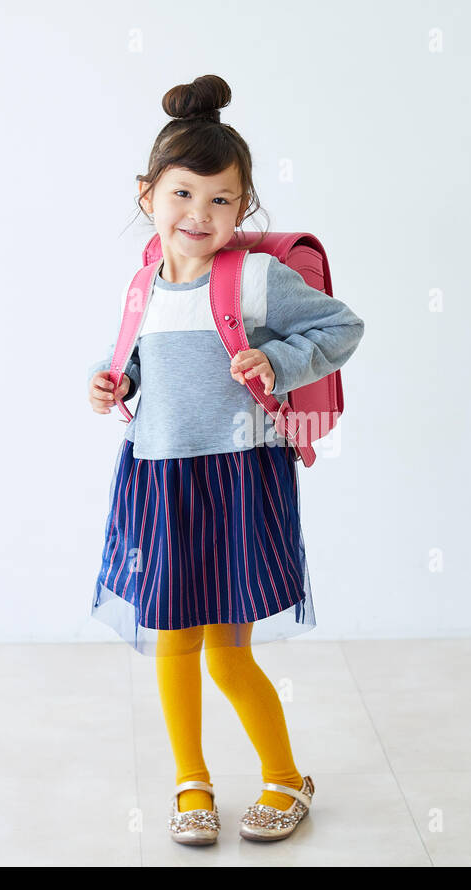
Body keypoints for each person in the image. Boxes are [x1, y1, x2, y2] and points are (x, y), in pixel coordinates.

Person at [85, 75, 364, 844]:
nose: (199, 215)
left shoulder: (257, 280)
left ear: (244, 206)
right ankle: (191, 785)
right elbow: (139, 358)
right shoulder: (142, 283)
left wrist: (279, 365)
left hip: (238, 477)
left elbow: (343, 325)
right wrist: (115, 382)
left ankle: (285, 777)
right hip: (160, 477)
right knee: (172, 640)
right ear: (148, 194)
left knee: (228, 654)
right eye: (183, 195)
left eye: (220, 200)